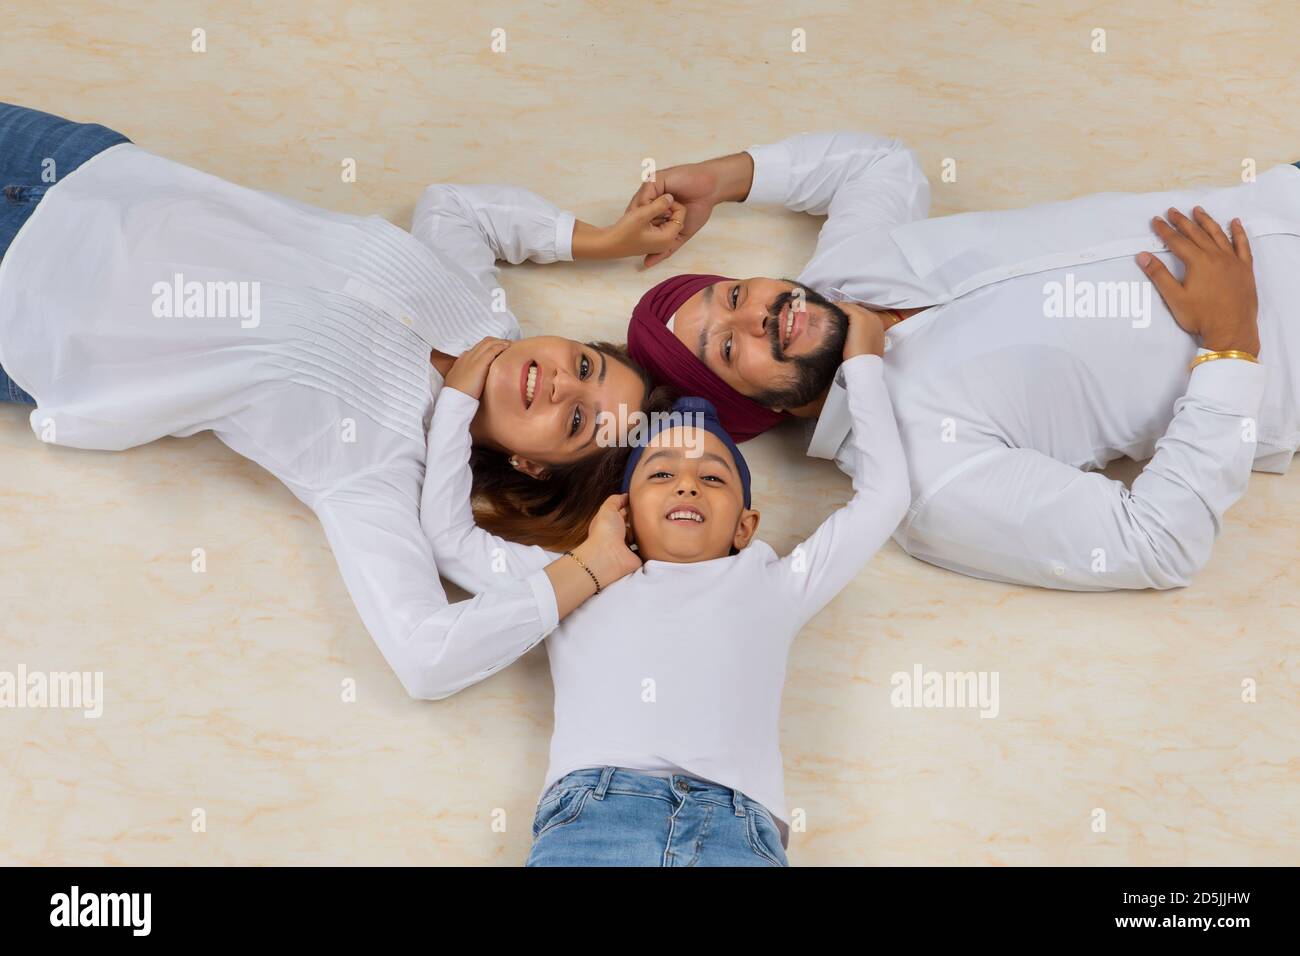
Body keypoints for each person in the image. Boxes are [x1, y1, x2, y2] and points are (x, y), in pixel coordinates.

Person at [0, 102, 680, 698]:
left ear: (535, 466)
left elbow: (426, 656)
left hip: (28, 306)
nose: (563, 382)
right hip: (79, 165)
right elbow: (456, 207)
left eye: (576, 420)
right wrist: (602, 240)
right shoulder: (484, 309)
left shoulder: (378, 469)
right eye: (586, 365)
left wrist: (585, 571)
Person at [622, 131, 1299, 590]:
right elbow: (1155, 544)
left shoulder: (848, 269)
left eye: (734, 294)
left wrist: (724, 178)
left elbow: (877, 165)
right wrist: (1231, 344)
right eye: (732, 347)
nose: (759, 315)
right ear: (757, 408)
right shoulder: (927, 480)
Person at [421, 308, 909, 866]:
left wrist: (863, 364)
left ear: (745, 527)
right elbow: (450, 538)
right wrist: (457, 404)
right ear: (622, 514)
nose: (687, 485)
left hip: (738, 830)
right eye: (660, 474)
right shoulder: (578, 575)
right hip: (596, 818)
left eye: (713, 477)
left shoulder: (776, 583)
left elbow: (885, 497)